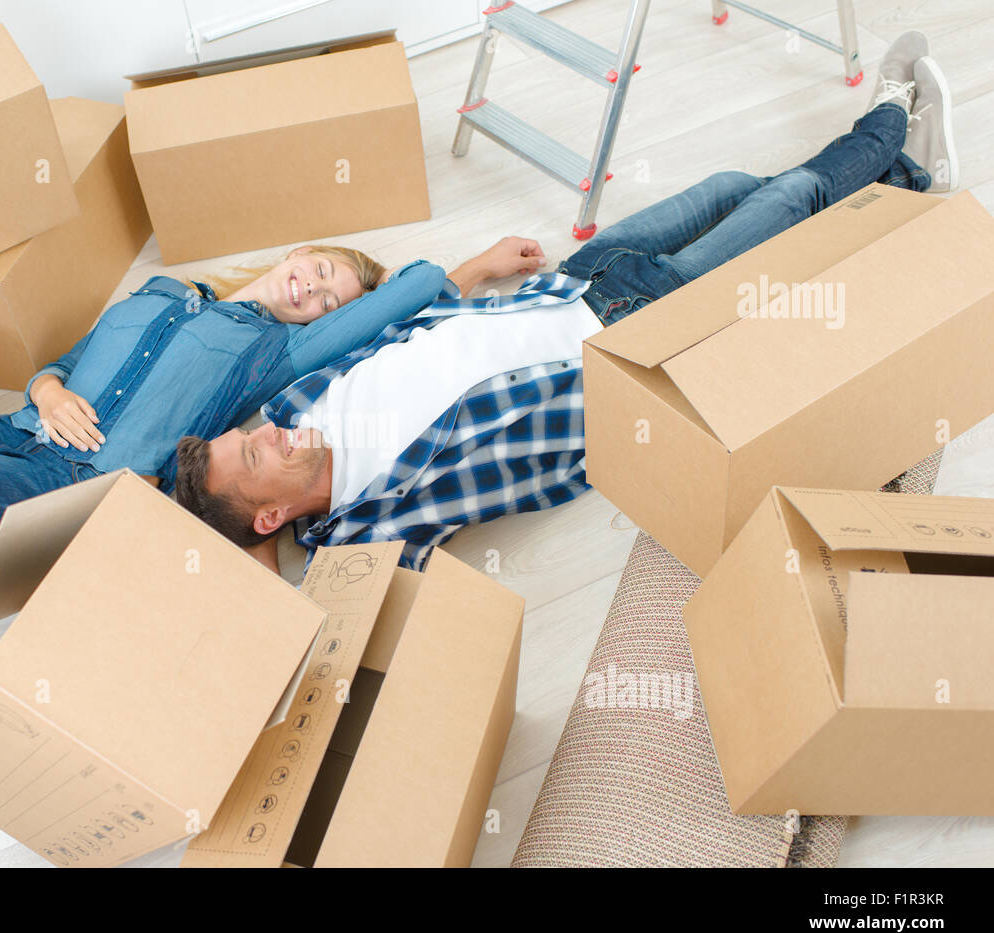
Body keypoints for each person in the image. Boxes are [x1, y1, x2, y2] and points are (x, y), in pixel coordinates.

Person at [0, 237, 541, 792]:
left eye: (331, 297)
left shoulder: (271, 349)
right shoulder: (163, 289)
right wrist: (48, 386)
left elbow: (390, 310)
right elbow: (65, 358)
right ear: (297, 251)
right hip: (9, 431)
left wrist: (477, 268)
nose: (316, 289)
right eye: (321, 267)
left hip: (62, 498)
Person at [176, 34, 955, 576]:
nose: (269, 435)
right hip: (633, 337)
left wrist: (477, 271)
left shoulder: (297, 400)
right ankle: (892, 118)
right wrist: (253, 549)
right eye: (254, 456)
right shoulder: (368, 529)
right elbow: (338, 628)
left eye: (253, 437)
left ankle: (909, 182)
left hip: (578, 279)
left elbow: (383, 327)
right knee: (794, 196)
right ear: (271, 520)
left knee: (732, 188)